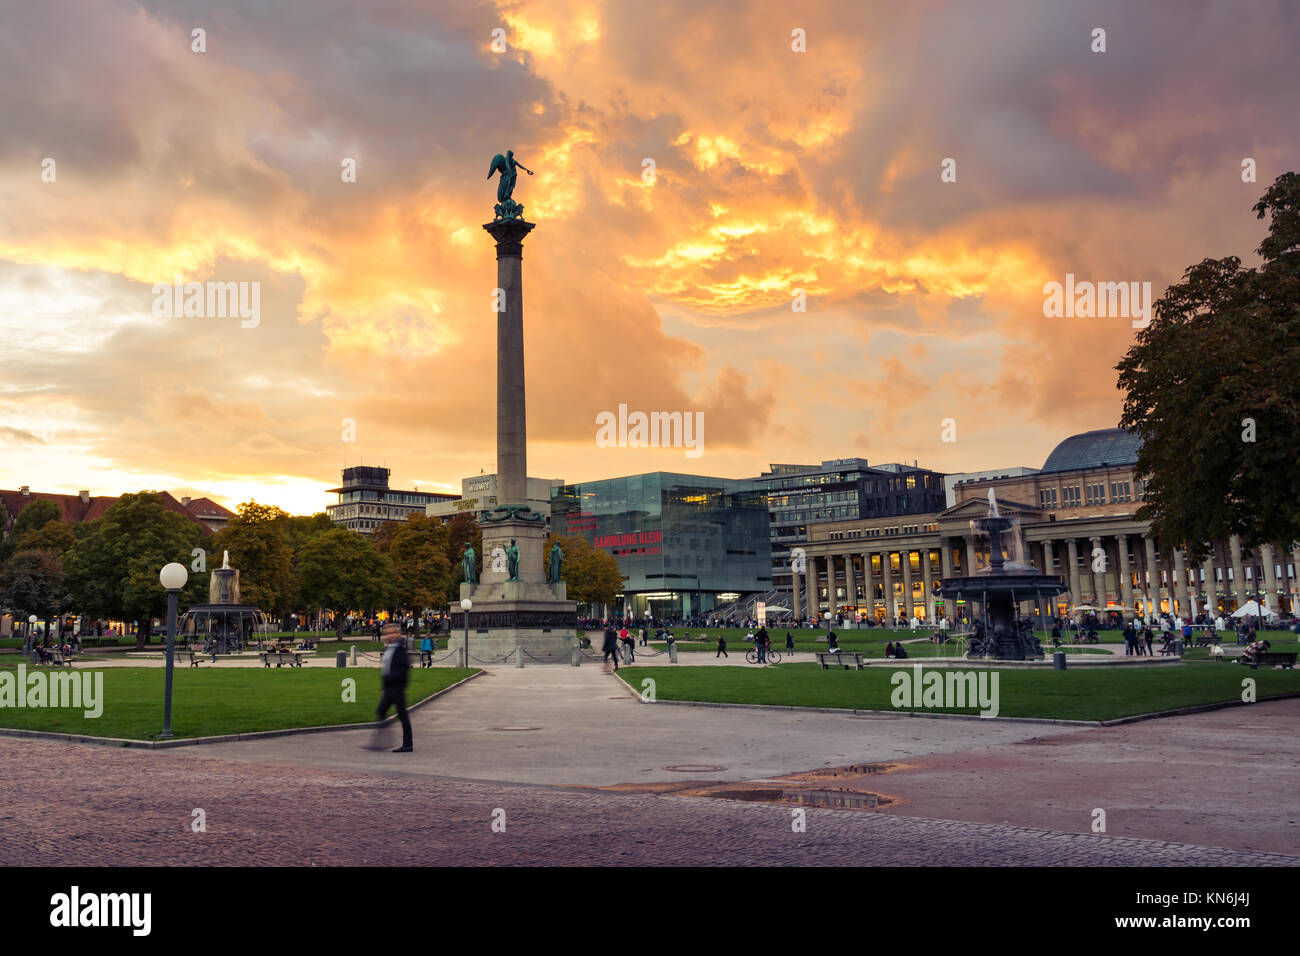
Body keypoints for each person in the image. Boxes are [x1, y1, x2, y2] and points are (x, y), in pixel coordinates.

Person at [377, 623, 413, 753]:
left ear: (397, 634)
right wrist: (384, 687)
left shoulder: (400, 649)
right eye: (387, 633)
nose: (389, 635)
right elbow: (385, 670)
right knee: (381, 711)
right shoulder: (388, 649)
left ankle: (407, 744)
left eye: (392, 633)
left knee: (402, 715)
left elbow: (404, 668)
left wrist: (398, 685)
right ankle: (383, 739)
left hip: (397, 687)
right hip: (389, 688)